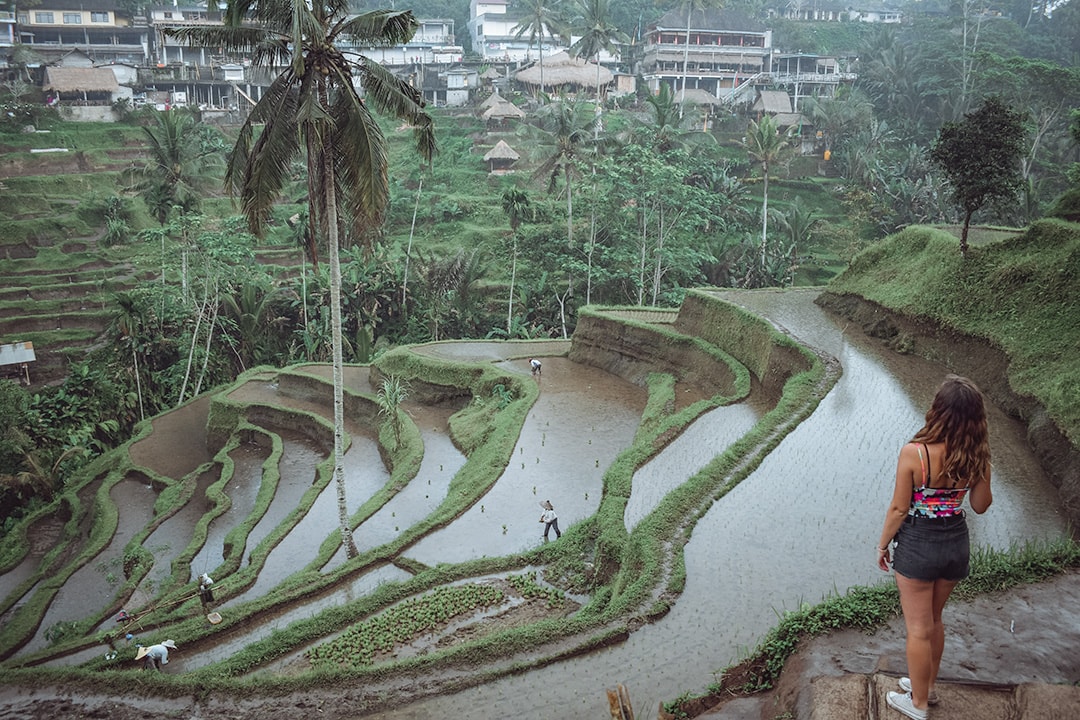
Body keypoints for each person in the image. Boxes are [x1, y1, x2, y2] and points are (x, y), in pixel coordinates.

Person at [876, 375, 993, 720]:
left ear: (938, 411)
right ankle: (925, 687)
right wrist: (983, 467)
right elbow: (982, 505)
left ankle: (918, 705)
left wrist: (882, 545)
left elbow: (899, 509)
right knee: (935, 621)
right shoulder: (977, 455)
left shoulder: (916, 454)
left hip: (918, 544)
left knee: (917, 628)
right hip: (955, 543)